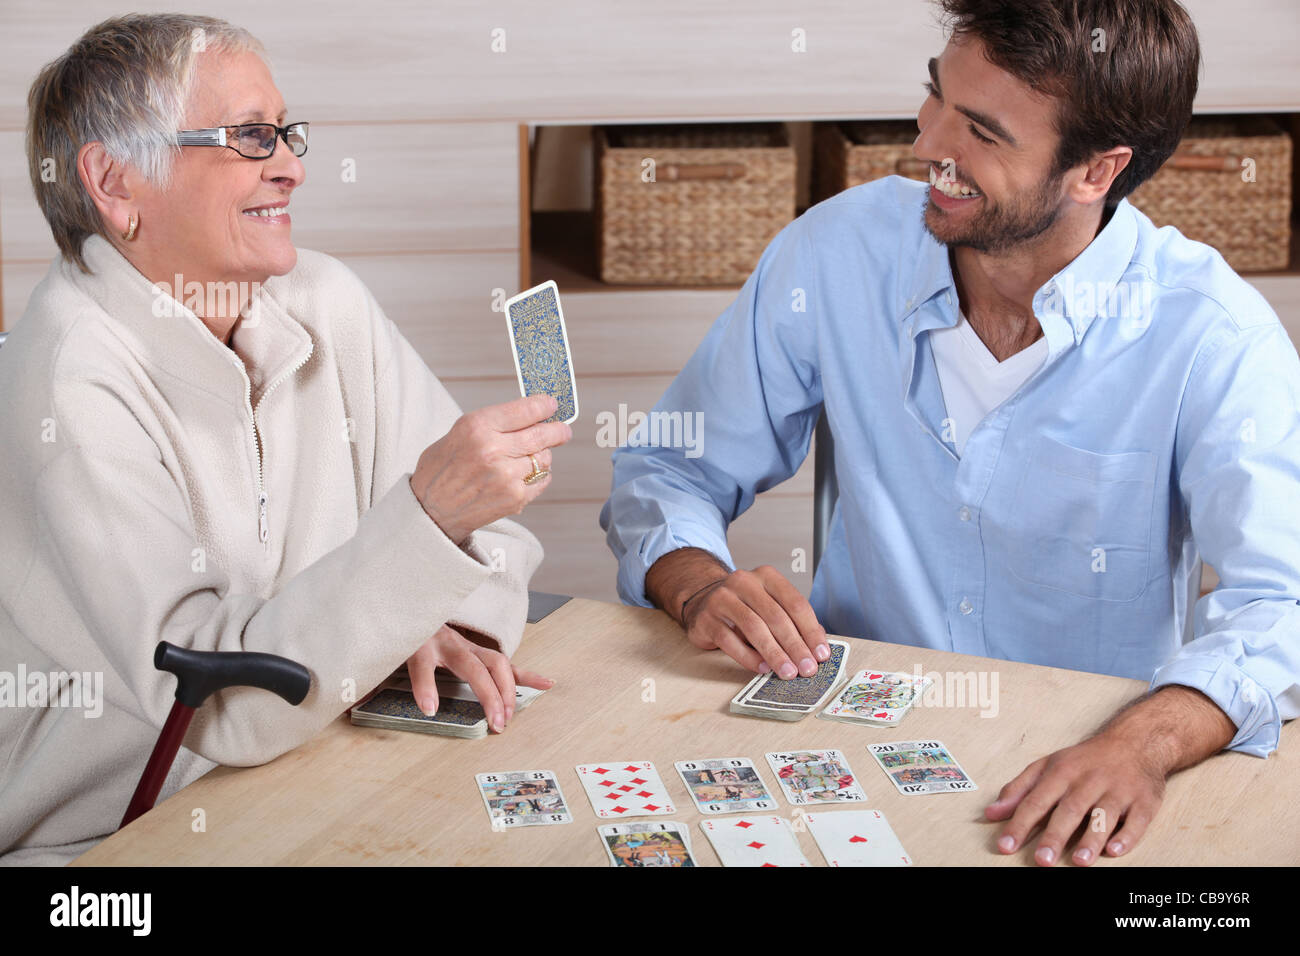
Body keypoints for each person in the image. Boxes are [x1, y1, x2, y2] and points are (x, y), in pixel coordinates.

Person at [601, 0, 1300, 865]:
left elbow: (1283, 604)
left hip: (1076, 775)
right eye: (935, 98)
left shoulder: (1213, 338)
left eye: (983, 132)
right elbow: (671, 466)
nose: (930, 143)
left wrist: (1140, 746)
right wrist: (698, 585)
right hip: (844, 754)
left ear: (1096, 171)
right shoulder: (835, 254)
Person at [0, 14, 570, 865]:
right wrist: (419, 531)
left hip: (323, 771)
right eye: (249, 137)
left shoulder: (324, 298)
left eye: (286, 132)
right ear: (116, 184)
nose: (293, 167)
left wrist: (424, 622)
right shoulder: (66, 379)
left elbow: (491, 542)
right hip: (109, 847)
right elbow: (222, 704)